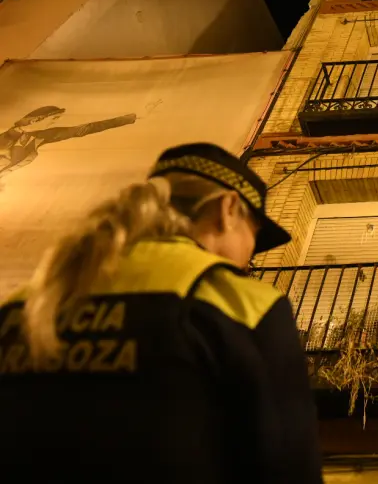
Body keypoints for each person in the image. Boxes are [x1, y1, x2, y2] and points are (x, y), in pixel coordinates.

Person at [0, 143, 322, 483]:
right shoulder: (241, 304)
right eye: (253, 237)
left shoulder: (25, 302)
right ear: (228, 209)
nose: (248, 259)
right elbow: (288, 465)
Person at [0, 105, 137, 182]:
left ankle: (126, 119)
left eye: (55, 120)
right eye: (52, 119)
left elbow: (82, 130)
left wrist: (125, 119)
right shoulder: (10, 137)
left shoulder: (43, 134)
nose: (52, 123)